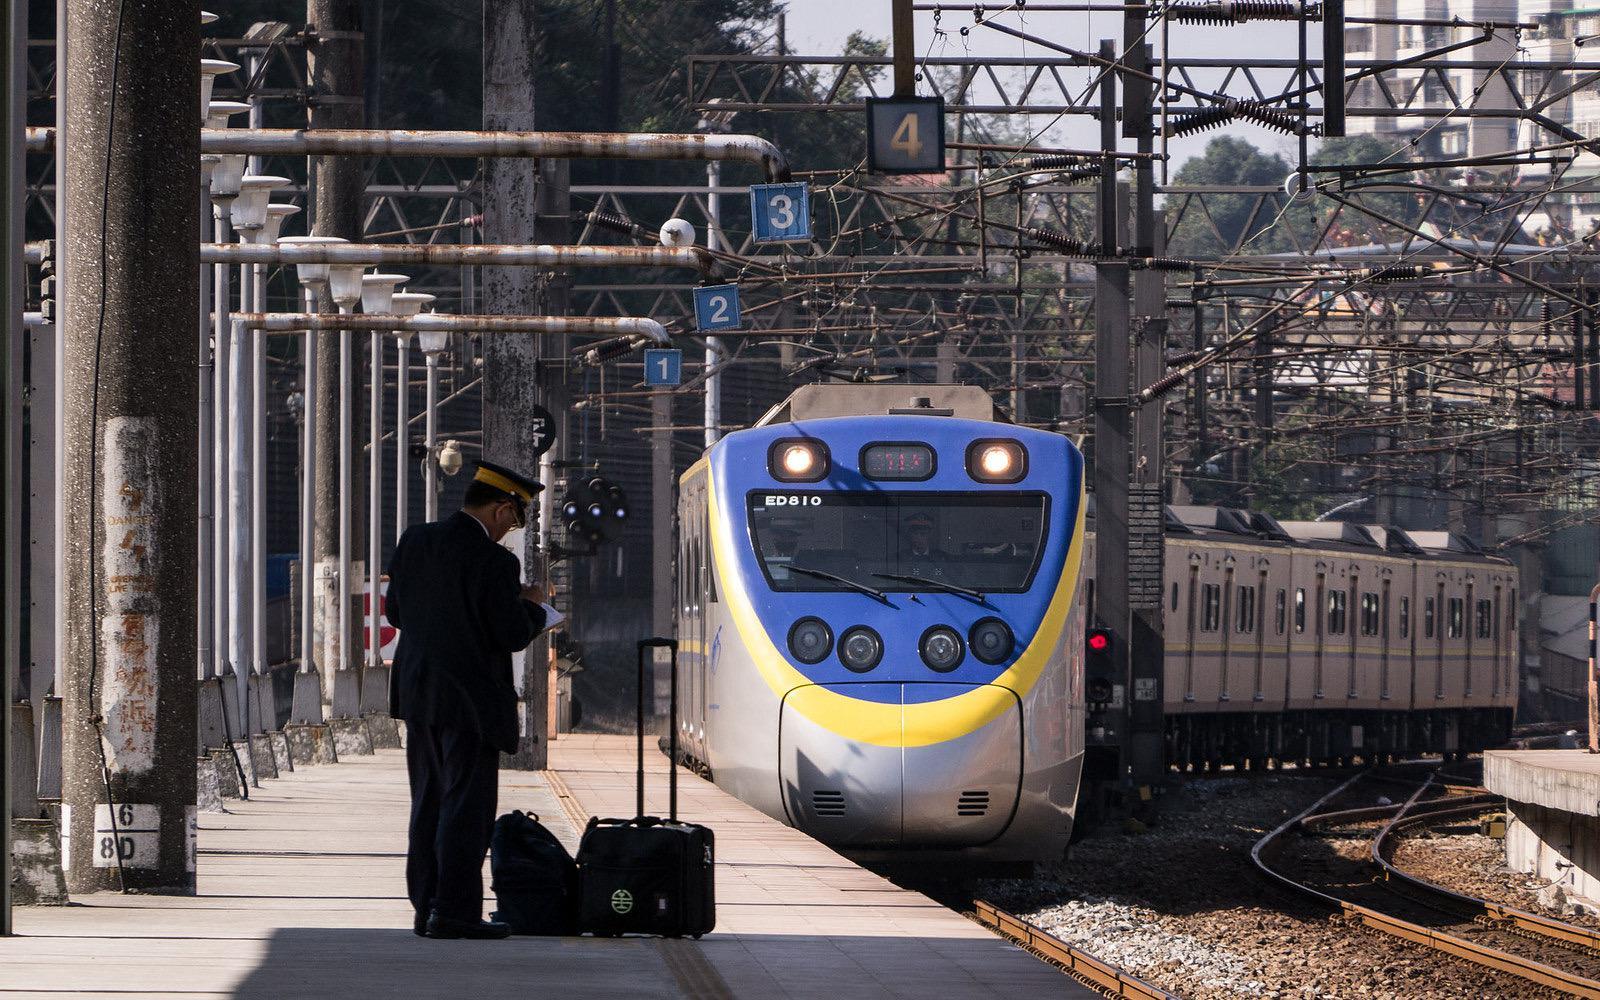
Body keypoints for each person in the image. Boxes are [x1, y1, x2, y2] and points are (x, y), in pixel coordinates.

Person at [385, 459, 550, 940]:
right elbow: (510, 632)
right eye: (515, 521)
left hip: (419, 696)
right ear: (501, 510)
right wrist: (533, 607)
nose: (510, 532)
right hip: (473, 704)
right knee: (466, 811)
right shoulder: (496, 563)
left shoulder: (415, 540)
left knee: (429, 803)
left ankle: (426, 908)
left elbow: (397, 612)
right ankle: (454, 913)